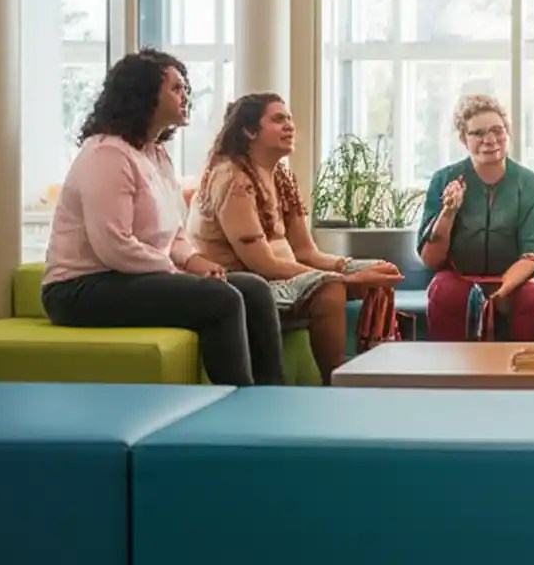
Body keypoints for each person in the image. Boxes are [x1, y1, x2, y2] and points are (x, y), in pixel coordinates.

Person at [41, 49, 285, 386]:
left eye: (185, 89)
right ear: (144, 94)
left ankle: (272, 399)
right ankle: (238, 409)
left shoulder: (154, 154)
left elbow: (174, 231)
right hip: (80, 289)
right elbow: (114, 246)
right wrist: (177, 272)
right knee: (220, 299)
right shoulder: (107, 154)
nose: (185, 96)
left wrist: (195, 261)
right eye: (176, 88)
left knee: (254, 289)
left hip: (129, 277)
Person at [187, 93, 401, 385]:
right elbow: (262, 264)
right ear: (249, 131)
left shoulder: (282, 178)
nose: (289, 126)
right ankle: (334, 380)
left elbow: (306, 252)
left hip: (289, 277)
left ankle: (374, 365)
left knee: (381, 271)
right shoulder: (233, 179)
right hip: (248, 284)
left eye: (288, 118)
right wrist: (343, 279)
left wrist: (350, 266)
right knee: (330, 289)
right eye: (277, 119)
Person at [417, 94, 534, 341]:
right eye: (478, 133)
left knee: (533, 297)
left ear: (507, 132)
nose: (489, 140)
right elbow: (431, 259)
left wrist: (502, 292)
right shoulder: (444, 179)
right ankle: (452, 376)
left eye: (497, 130)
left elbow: (531, 256)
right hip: (459, 277)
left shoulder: (529, 184)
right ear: (463, 139)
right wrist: (448, 212)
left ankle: (524, 376)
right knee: (444, 292)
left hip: (512, 279)